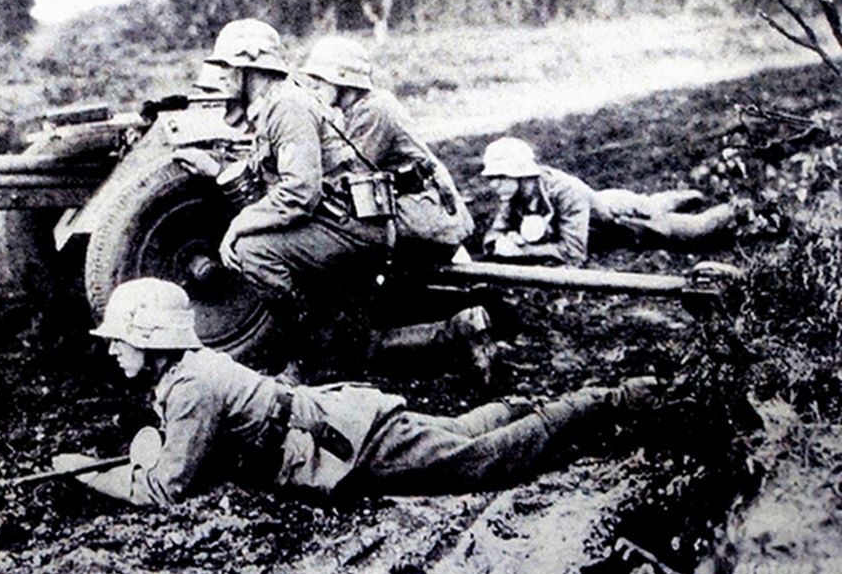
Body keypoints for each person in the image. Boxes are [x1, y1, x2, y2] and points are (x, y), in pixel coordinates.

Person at [53, 278, 660, 506]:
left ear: (152, 339)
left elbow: (167, 488)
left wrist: (86, 472)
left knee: (483, 462)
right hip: (344, 421)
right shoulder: (185, 374)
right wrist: (144, 451)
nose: (111, 349)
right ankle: (529, 409)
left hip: (349, 444)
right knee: (461, 433)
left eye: (119, 339)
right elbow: (185, 456)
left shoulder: (189, 387)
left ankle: (609, 402)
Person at [203, 20, 390, 301]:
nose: (221, 76)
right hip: (333, 220)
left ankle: (307, 335)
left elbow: (300, 192)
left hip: (351, 228)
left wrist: (239, 224)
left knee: (252, 252)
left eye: (226, 66)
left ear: (248, 69)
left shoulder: (288, 106)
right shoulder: (272, 106)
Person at [299, 36, 475, 261]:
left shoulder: (374, 111)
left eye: (320, 79)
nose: (314, 85)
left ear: (343, 79)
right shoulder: (357, 110)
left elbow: (346, 175)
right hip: (415, 216)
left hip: (423, 222)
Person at [480, 136, 743, 266]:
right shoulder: (513, 194)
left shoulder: (564, 190)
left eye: (500, 177)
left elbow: (573, 254)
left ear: (520, 174)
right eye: (492, 178)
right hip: (594, 214)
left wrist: (522, 251)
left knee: (697, 230)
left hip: (621, 220)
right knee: (650, 204)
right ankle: (669, 199)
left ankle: (739, 208)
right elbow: (493, 236)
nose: (493, 184)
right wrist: (500, 243)